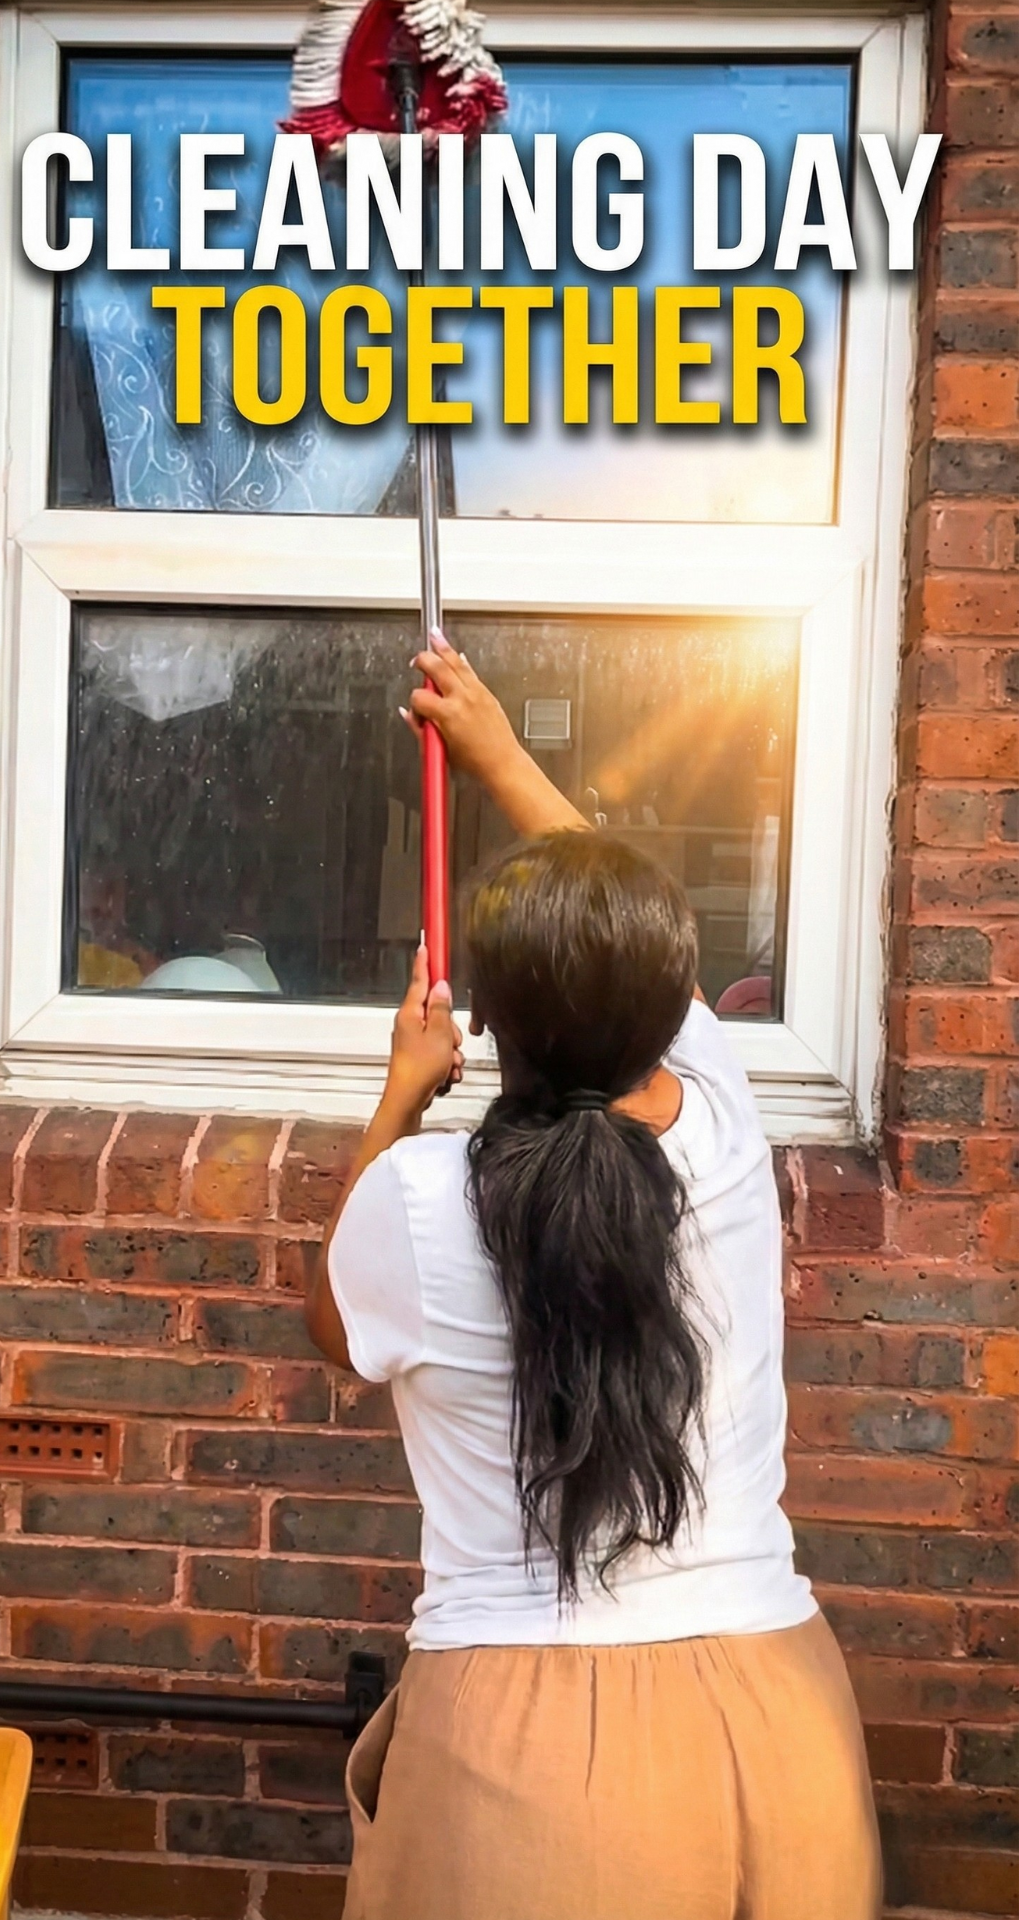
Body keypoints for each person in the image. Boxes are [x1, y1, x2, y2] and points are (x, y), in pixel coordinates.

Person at [305, 632, 882, 1920]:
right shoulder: (727, 1127)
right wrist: (503, 751)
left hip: (537, 1767)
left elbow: (339, 1327)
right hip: (786, 1737)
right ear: (661, 993)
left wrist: (399, 1099)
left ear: (497, 1022)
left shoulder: (419, 1199)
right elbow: (636, 940)